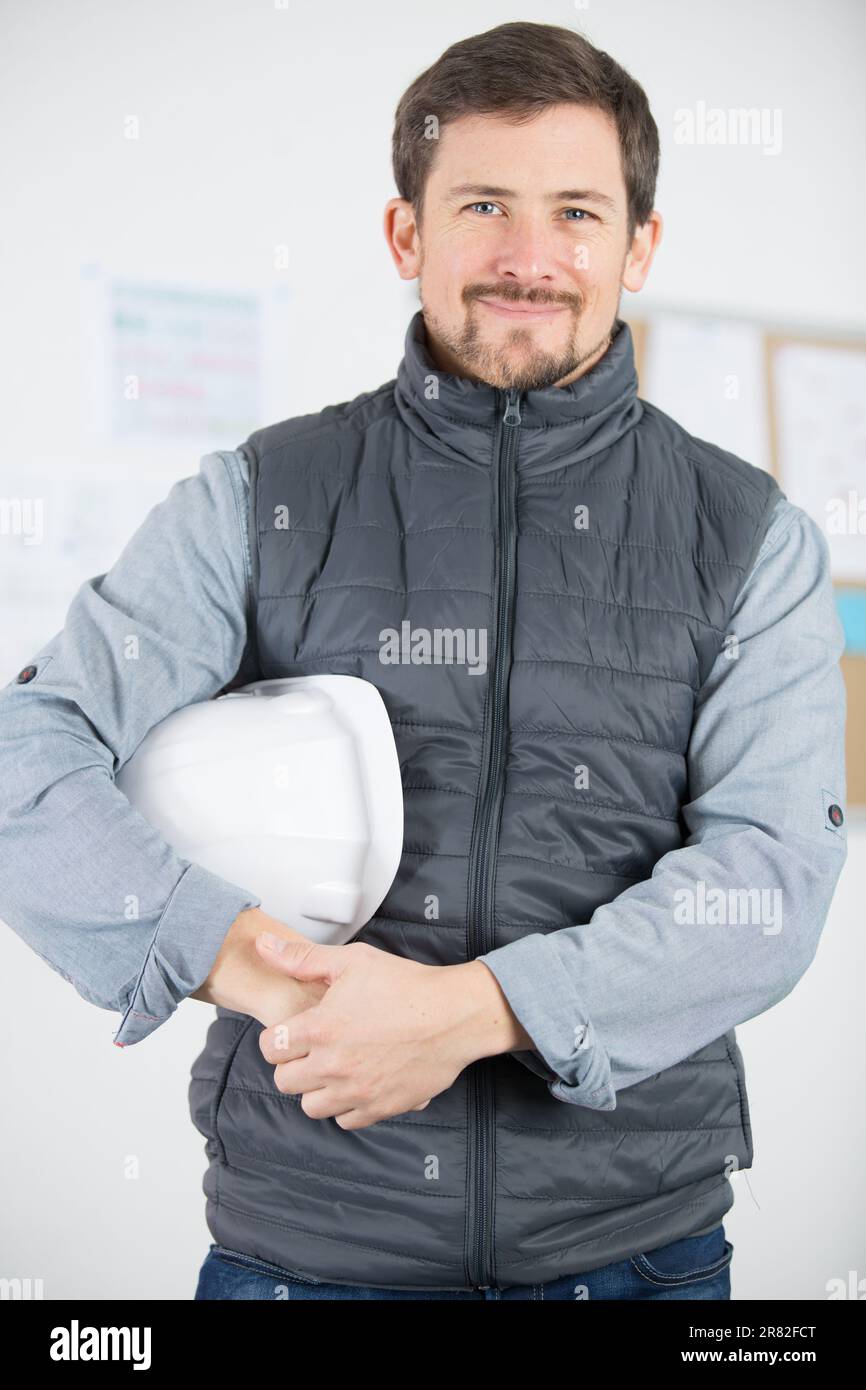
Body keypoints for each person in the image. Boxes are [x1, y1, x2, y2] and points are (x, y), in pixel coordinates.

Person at [0, 21, 847, 1300]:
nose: (527, 256)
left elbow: (768, 877)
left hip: (635, 1259)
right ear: (407, 236)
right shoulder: (257, 495)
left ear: (638, 245)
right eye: (482, 206)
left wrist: (472, 1012)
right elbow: (27, 748)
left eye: (574, 210)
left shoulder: (750, 537)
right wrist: (240, 961)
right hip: (303, 1254)